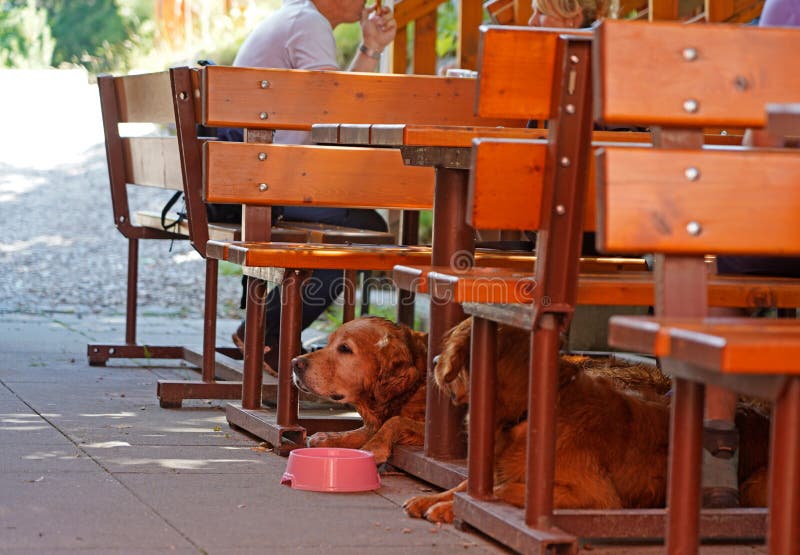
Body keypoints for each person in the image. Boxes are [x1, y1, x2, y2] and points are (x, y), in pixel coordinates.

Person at [227, 0, 397, 372]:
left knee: (358, 227)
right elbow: (339, 114)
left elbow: (335, 107)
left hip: (260, 176)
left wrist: (371, 47)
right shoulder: (309, 23)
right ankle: (266, 330)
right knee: (360, 232)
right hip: (270, 181)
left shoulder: (298, 18)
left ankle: (266, 328)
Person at [703, 0, 800, 509]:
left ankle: (716, 453)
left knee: (721, 271)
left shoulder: (786, 8)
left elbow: (762, 135)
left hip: (783, 220)